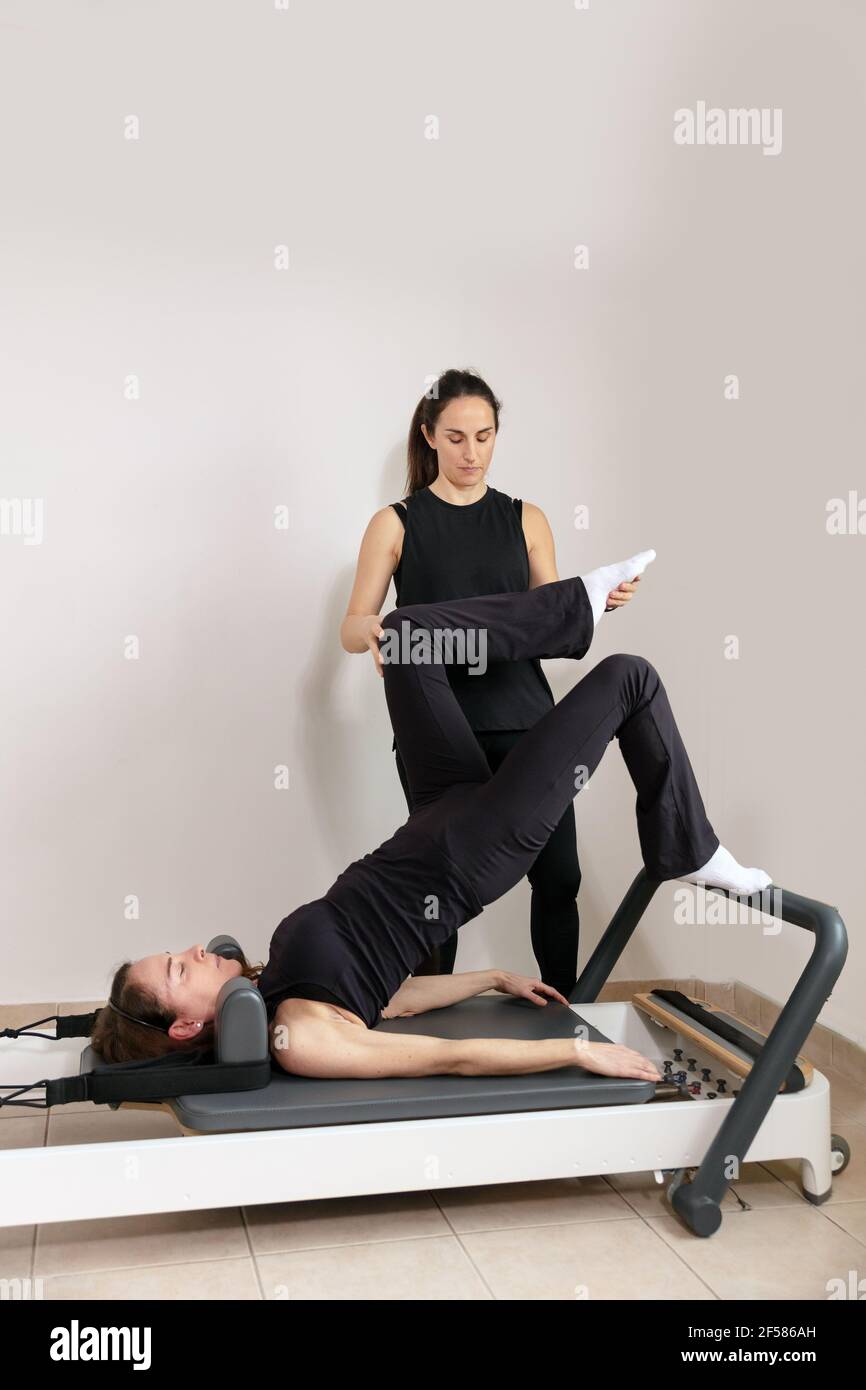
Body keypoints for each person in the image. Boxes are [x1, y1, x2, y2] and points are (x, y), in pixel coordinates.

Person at [93, 550, 771, 1083]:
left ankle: (576, 610)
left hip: (438, 815)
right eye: (177, 972)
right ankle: (689, 846)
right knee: (630, 679)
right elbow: (445, 1058)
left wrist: (492, 978)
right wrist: (575, 1055)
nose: (188, 952)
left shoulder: (271, 986)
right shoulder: (296, 1035)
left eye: (172, 953)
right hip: (472, 851)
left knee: (406, 633)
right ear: (184, 1028)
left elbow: (386, 995)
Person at [340, 367, 641, 995]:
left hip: (529, 720)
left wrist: (592, 603)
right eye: (455, 438)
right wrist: (372, 628)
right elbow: (351, 625)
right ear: (428, 437)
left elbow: (546, 623)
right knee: (438, 886)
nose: (470, 453)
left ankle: (566, 1008)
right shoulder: (394, 523)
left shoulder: (526, 519)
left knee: (560, 875)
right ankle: (428, 1019)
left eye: (484, 436)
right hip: (438, 731)